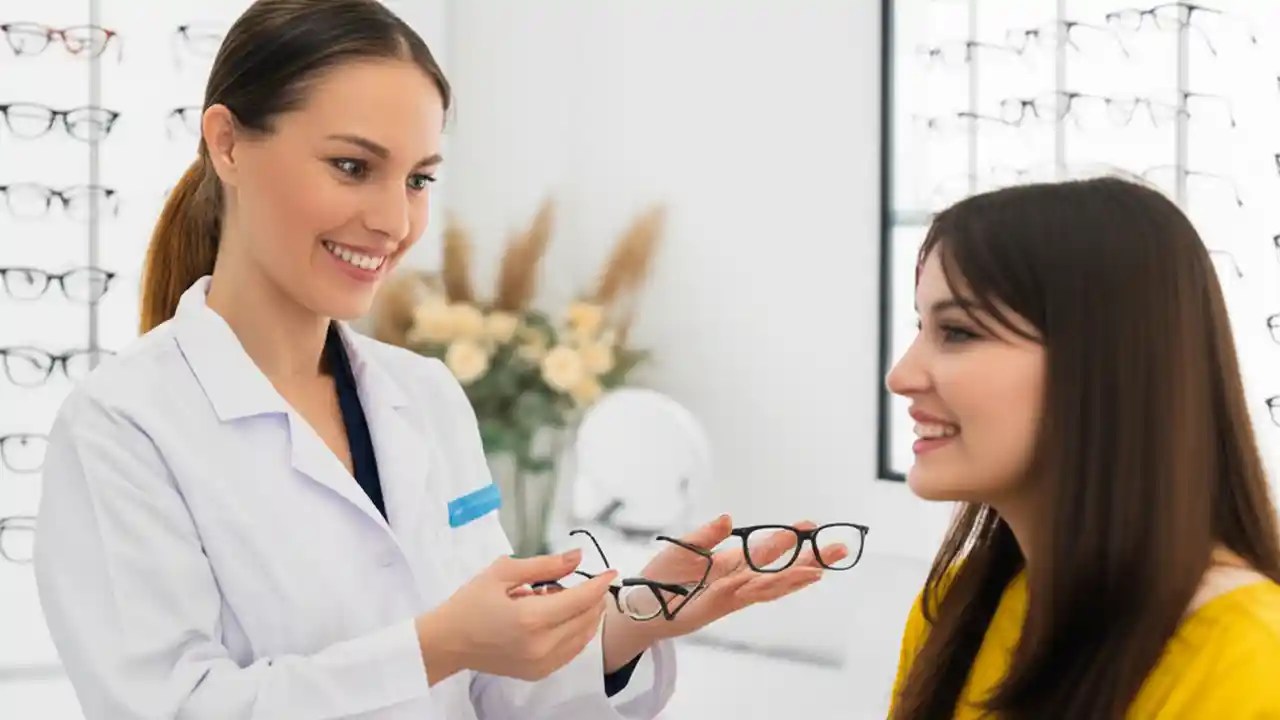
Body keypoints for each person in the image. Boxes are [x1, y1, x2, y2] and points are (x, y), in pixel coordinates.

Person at [31, 1, 842, 718]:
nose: (393, 220)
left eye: (419, 179)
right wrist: (432, 647)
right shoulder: (122, 427)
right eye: (353, 167)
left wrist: (638, 615)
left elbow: (495, 692)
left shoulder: (422, 395)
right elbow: (169, 708)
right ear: (228, 144)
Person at [886, 177, 1280, 719]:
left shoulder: (1250, 658)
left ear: (1101, 365)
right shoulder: (958, 608)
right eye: (919, 326)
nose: (901, 375)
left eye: (956, 332)